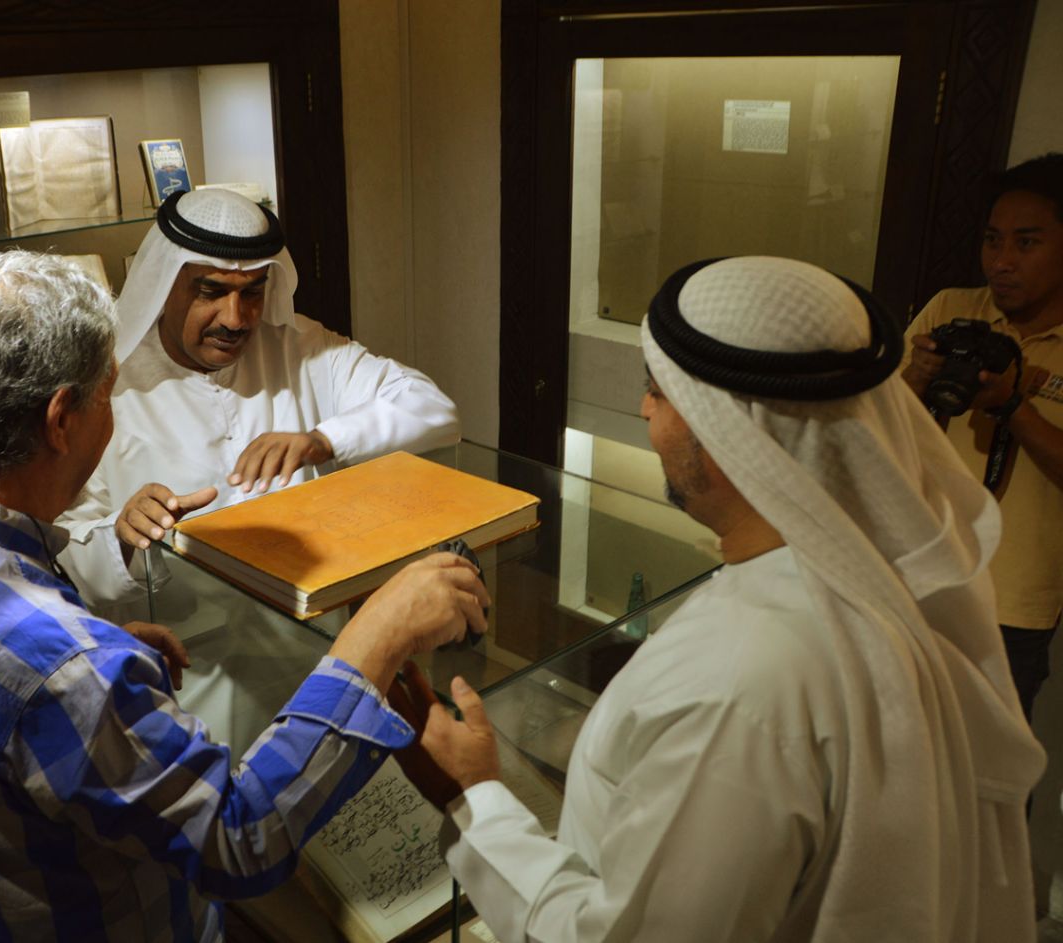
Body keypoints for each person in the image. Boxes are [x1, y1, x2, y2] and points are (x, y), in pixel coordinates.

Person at [0, 250, 489, 942]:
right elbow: (241, 839)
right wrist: (373, 639)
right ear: (60, 419)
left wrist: (106, 663)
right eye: (107, 392)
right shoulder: (64, 669)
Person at [389, 257, 1045, 942]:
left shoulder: (739, 689)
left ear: (731, 427)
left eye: (659, 390)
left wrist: (475, 798)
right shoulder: (862, 565)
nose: (644, 408)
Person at [58, 188, 460, 609]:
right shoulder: (102, 383)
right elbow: (67, 553)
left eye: (252, 292)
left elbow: (433, 409)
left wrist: (323, 440)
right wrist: (123, 535)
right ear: (164, 285)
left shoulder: (301, 347)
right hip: (187, 653)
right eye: (210, 291)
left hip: (315, 632)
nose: (235, 319)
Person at [901, 153, 1063, 724]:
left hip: (1011, 607)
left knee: (987, 779)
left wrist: (1014, 407)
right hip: (918, 575)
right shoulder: (952, 310)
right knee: (896, 753)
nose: (1002, 262)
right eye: (993, 241)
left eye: (1026, 243)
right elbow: (871, 430)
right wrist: (914, 382)